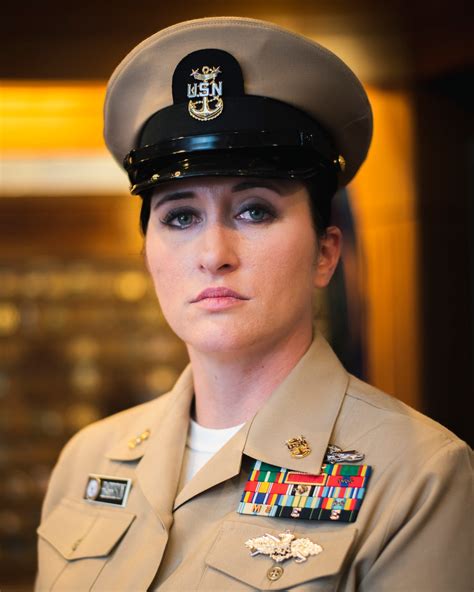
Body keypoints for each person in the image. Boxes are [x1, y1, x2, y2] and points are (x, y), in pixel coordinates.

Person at [35, 16, 472, 592]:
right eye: (181, 217)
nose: (213, 254)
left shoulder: (418, 475)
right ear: (148, 254)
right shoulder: (88, 459)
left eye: (255, 211)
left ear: (325, 252)